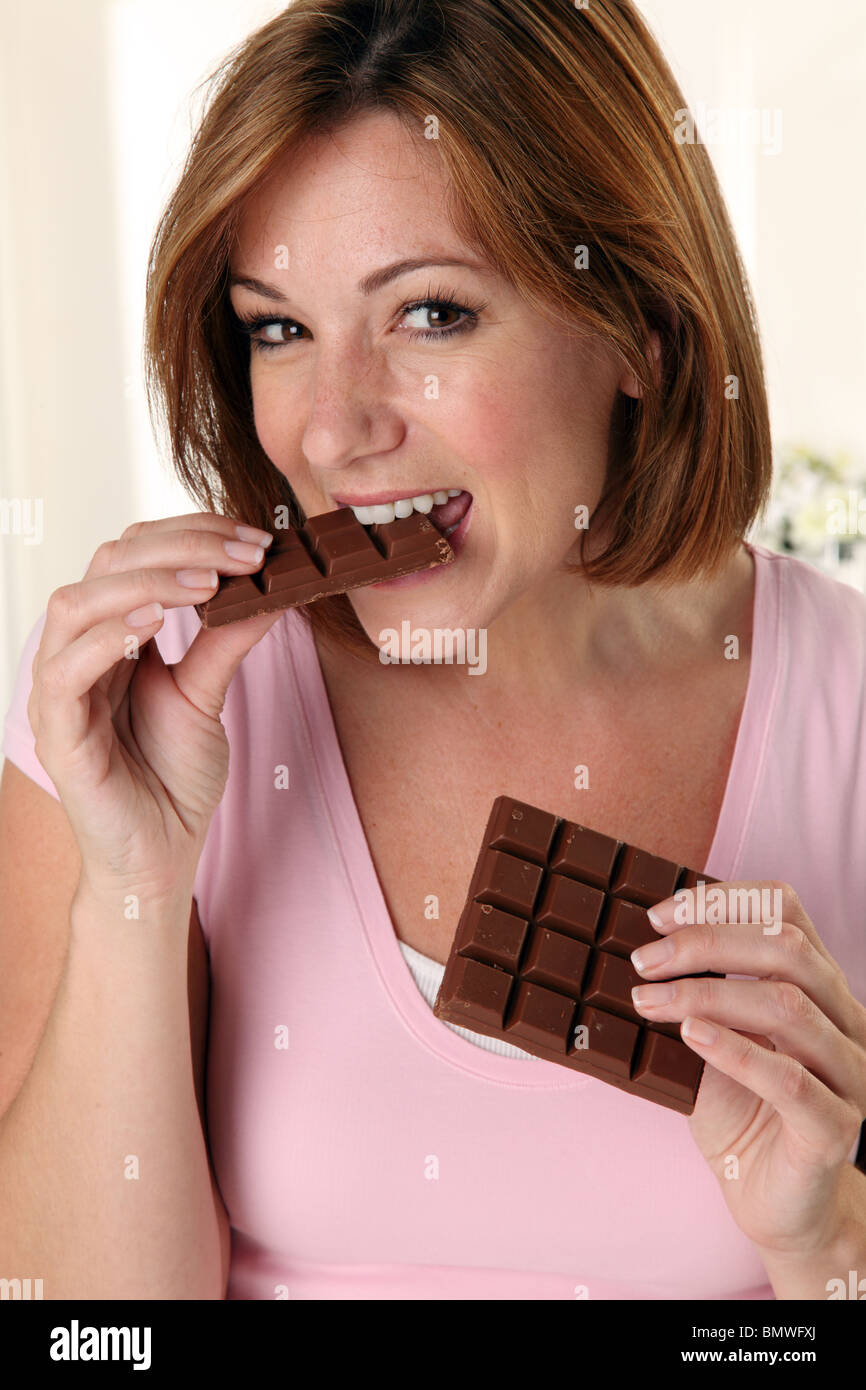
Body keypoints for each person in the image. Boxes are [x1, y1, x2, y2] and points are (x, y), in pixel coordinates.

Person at [1, 0, 864, 1301]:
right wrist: (134, 881)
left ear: (640, 328)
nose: (333, 431)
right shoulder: (139, 698)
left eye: (430, 316)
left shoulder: (845, 707)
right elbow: (92, 1338)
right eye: (276, 328)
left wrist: (826, 1249)